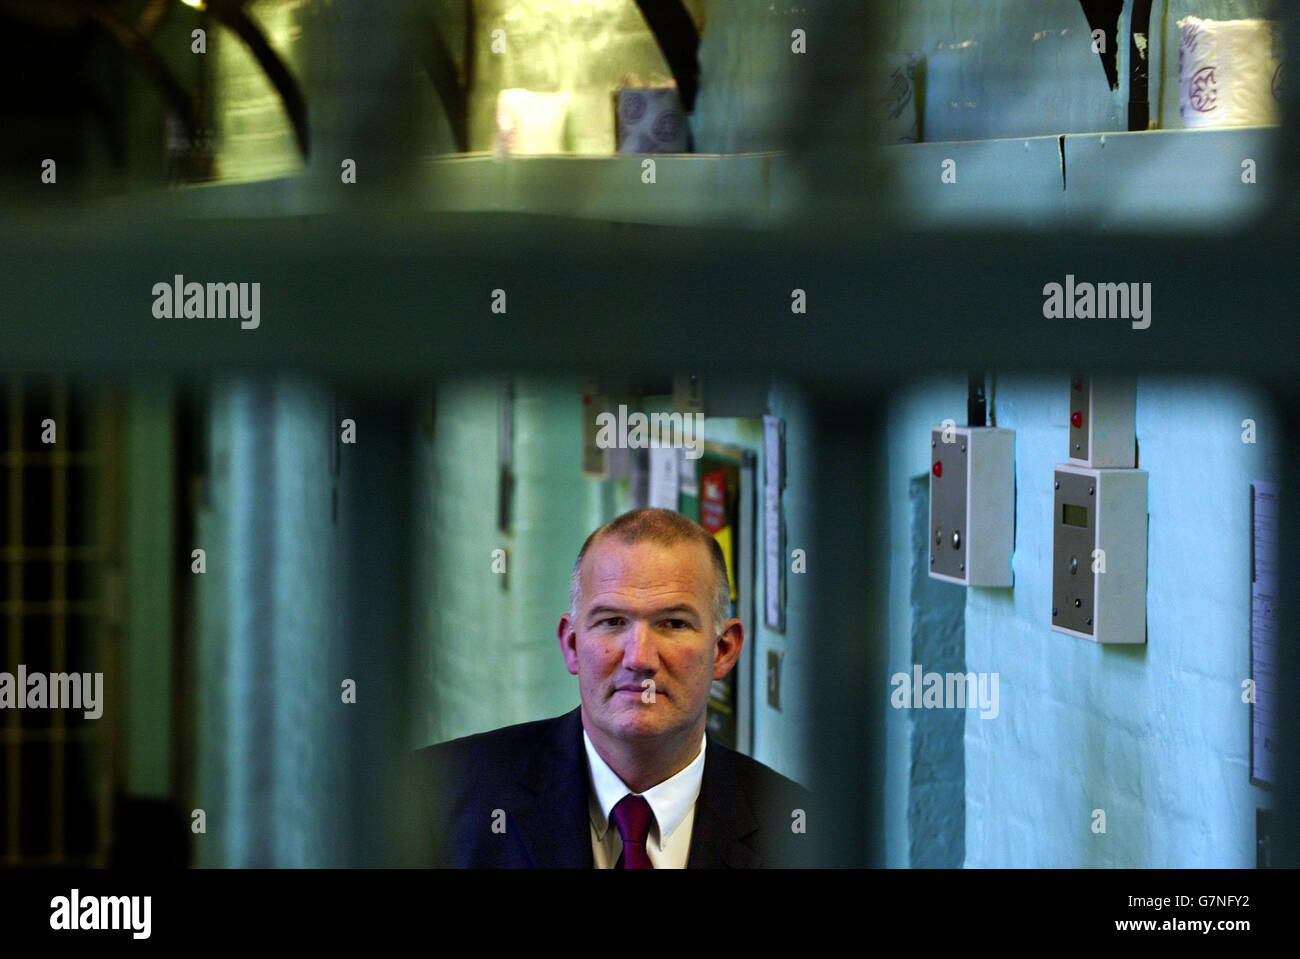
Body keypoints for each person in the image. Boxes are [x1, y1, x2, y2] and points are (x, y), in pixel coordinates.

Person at [412, 508, 814, 868]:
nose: (639, 658)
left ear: (723, 650)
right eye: (612, 622)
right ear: (571, 645)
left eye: (673, 623)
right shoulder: (436, 799)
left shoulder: (804, 832)